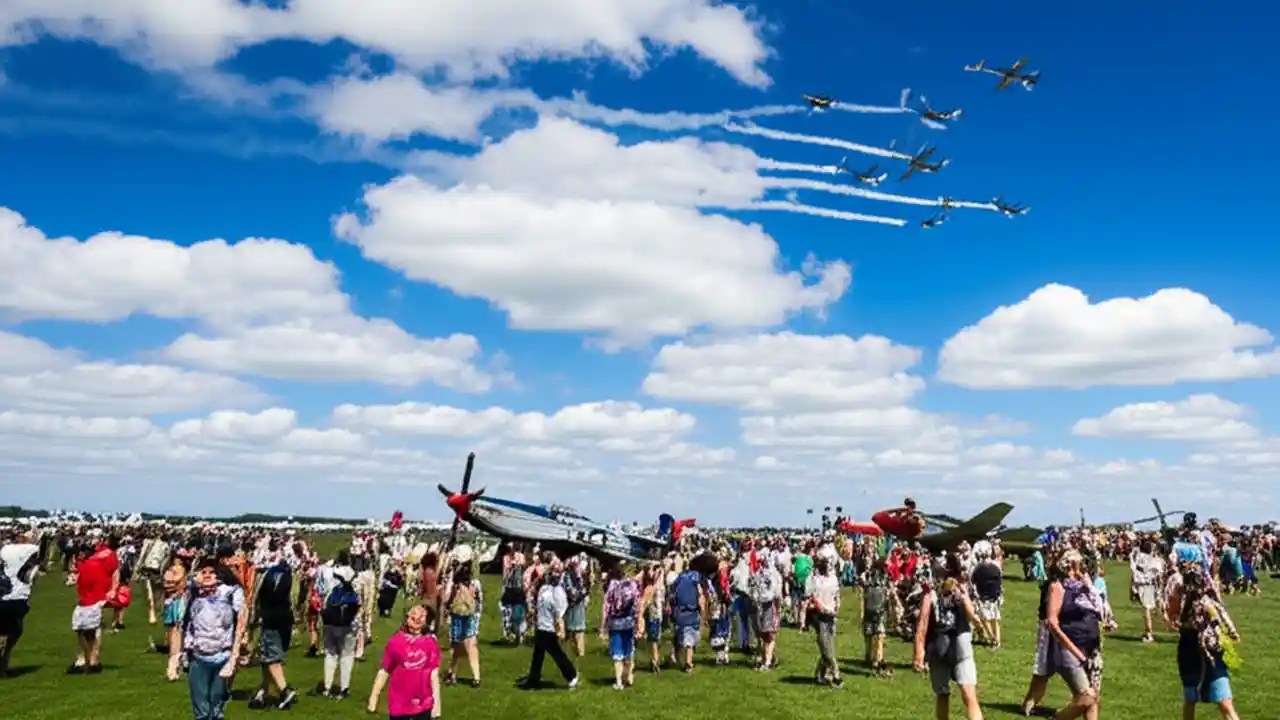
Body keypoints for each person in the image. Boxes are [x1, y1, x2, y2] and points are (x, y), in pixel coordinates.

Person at [1167, 562, 1242, 720]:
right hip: (1190, 651)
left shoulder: (1209, 599)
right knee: (1190, 699)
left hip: (1211, 652)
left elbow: (1220, 614)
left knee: (1224, 701)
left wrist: (1230, 631)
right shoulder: (1180, 594)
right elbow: (1172, 615)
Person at [914, 554, 983, 720]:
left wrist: (963, 594)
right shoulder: (933, 595)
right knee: (954, 694)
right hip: (946, 648)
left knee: (962, 693)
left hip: (954, 649)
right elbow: (922, 625)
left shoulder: (959, 592)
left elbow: (972, 614)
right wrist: (918, 653)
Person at [182, 556, 248, 720]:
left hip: (223, 657)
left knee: (217, 707)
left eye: (211, 572)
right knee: (201, 710)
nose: (206, 575)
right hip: (198, 657)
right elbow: (182, 624)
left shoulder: (230, 593)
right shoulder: (193, 594)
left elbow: (242, 620)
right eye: (203, 572)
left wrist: (235, 655)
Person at [1044, 550, 1104, 720]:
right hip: (1069, 649)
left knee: (1094, 699)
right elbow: (1052, 623)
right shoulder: (1058, 586)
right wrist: (1075, 651)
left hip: (1092, 647)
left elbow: (1101, 609)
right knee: (1087, 696)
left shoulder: (1085, 585)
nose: (1081, 567)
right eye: (1076, 563)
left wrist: (1087, 584)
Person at [368, 604, 442, 720]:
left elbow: (433, 674)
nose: (414, 620)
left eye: (419, 618)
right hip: (399, 705)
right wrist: (374, 696)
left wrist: (436, 703)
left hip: (423, 705)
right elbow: (384, 670)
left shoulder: (430, 643)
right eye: (412, 617)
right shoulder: (395, 641)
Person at [249, 549, 298, 710]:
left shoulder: (265, 577)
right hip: (285, 620)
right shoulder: (289, 575)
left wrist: (253, 619)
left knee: (271, 658)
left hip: (270, 620)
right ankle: (262, 693)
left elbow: (256, 599)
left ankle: (284, 690)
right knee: (267, 658)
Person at [519, 559, 579, 690]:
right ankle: (533, 678)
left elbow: (559, 613)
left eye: (555, 574)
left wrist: (560, 628)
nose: (552, 576)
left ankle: (571, 675)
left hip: (550, 628)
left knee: (556, 653)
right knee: (538, 654)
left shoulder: (559, 592)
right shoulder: (544, 588)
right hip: (541, 625)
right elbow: (533, 592)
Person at [69, 533, 119, 674]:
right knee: (83, 628)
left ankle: (92, 659)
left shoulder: (107, 554)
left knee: (93, 627)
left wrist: (113, 589)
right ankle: (86, 658)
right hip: (86, 595)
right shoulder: (88, 557)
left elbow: (115, 572)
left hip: (98, 595)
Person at [317, 554, 359, 699]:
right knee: (347, 655)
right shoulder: (354, 582)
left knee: (330, 654)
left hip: (330, 621)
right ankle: (344, 687)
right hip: (348, 623)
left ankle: (327, 687)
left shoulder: (328, 574)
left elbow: (321, 595)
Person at [0, 528, 40, 677]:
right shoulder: (32, 549)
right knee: (10, 633)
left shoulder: (5, 549)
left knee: (12, 631)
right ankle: (2, 666)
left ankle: (3, 666)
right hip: (18, 597)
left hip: (4, 594)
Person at [600, 563, 641, 690]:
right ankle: (629, 676)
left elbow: (606, 606)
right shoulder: (633, 585)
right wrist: (637, 622)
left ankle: (619, 682)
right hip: (629, 623)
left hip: (615, 623)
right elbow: (637, 606)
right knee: (629, 651)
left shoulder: (612, 585)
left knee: (618, 654)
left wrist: (603, 626)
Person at [443, 561, 482, 687]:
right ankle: (476, 676)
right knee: (471, 645)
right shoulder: (475, 584)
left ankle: (452, 673)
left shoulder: (455, 585)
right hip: (470, 617)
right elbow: (479, 602)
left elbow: (447, 600)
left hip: (457, 617)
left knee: (456, 646)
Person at [806, 556, 842, 687]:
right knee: (825, 645)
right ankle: (836, 674)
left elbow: (837, 594)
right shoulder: (816, 580)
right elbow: (814, 598)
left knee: (827, 646)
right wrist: (823, 610)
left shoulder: (833, 578)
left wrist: (837, 605)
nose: (831, 567)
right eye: (828, 565)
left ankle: (819, 674)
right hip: (819, 616)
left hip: (831, 615)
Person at [668, 555, 707, 673]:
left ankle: (677, 657)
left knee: (680, 636)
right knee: (690, 638)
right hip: (692, 612)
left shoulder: (679, 578)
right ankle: (688, 663)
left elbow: (672, 594)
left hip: (679, 612)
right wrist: (704, 613)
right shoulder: (697, 578)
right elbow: (701, 597)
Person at [1130, 538, 1166, 643]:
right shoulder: (1155, 560)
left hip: (1145, 586)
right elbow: (1159, 574)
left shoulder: (1139, 558)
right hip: (1150, 585)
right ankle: (1148, 632)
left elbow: (1133, 569)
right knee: (1150, 609)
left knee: (1147, 610)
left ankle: (1149, 634)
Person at [970, 548, 1004, 649]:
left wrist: (975, 593)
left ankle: (993, 639)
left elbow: (973, 582)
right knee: (995, 619)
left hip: (983, 597)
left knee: (985, 619)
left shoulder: (978, 568)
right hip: (995, 596)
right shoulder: (996, 567)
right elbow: (1000, 580)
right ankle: (997, 640)